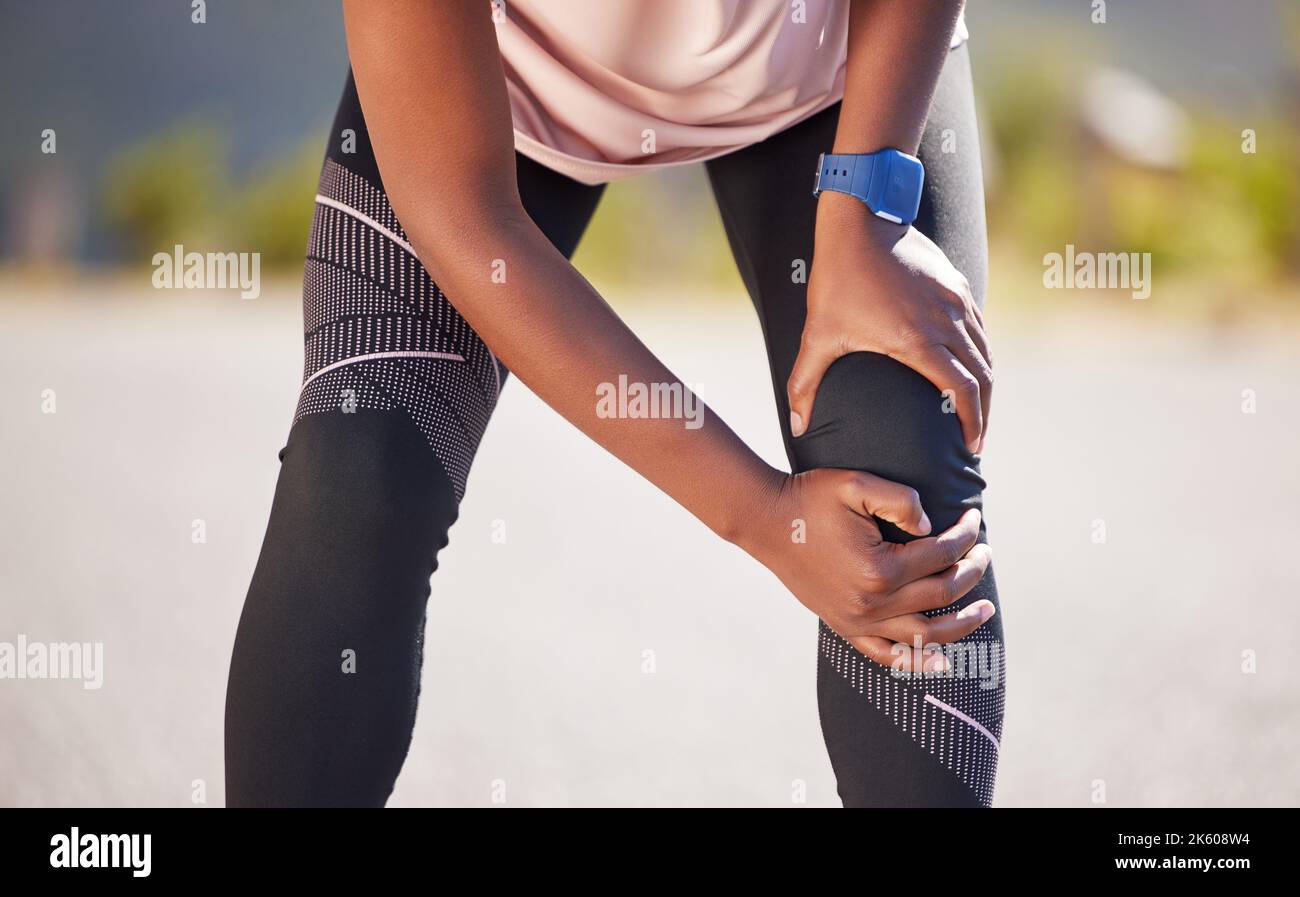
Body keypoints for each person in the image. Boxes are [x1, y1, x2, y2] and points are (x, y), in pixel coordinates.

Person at [225, 0, 1003, 808]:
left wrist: (866, 216)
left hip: (830, 75)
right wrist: (766, 513)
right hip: (508, 88)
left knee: (904, 522)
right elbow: (464, 220)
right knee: (356, 478)